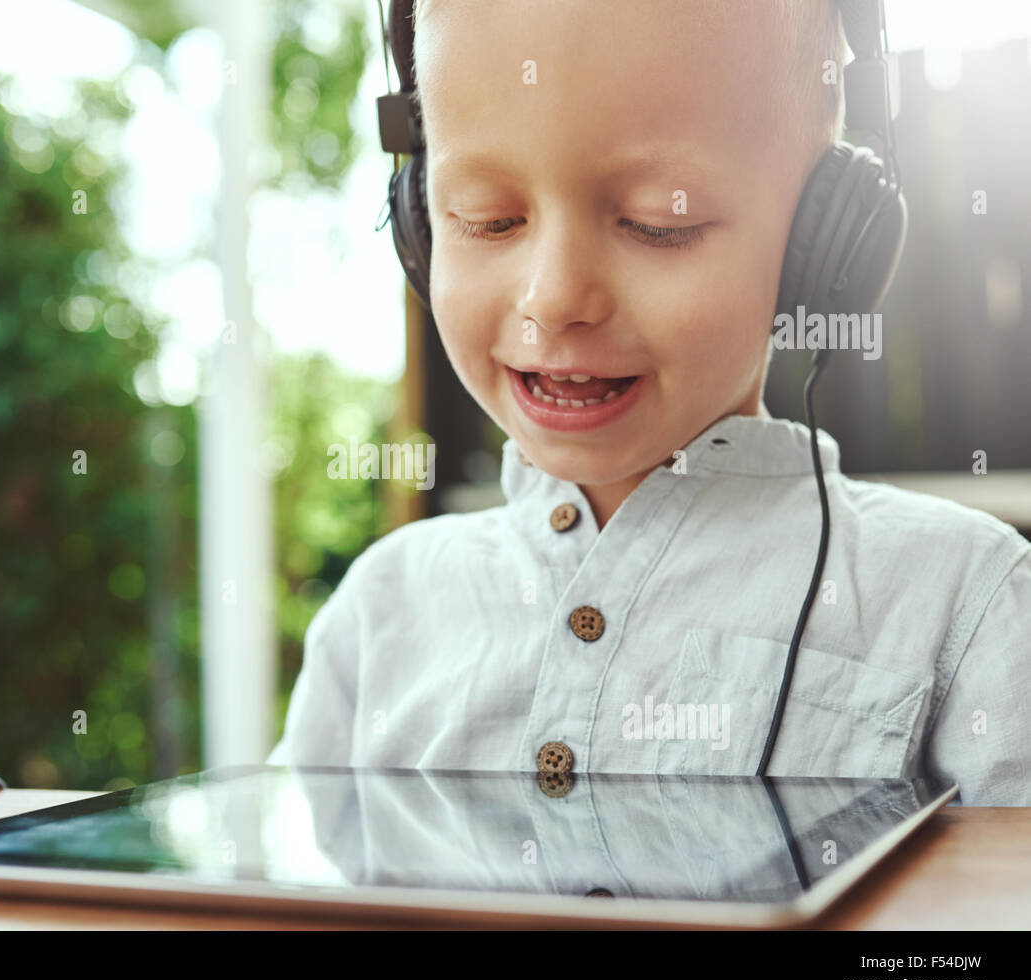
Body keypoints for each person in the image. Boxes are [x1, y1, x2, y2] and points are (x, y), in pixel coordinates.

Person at [267, 0, 1031, 806]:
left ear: (828, 239)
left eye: (658, 224)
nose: (555, 298)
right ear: (420, 223)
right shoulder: (379, 617)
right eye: (489, 222)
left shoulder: (964, 605)